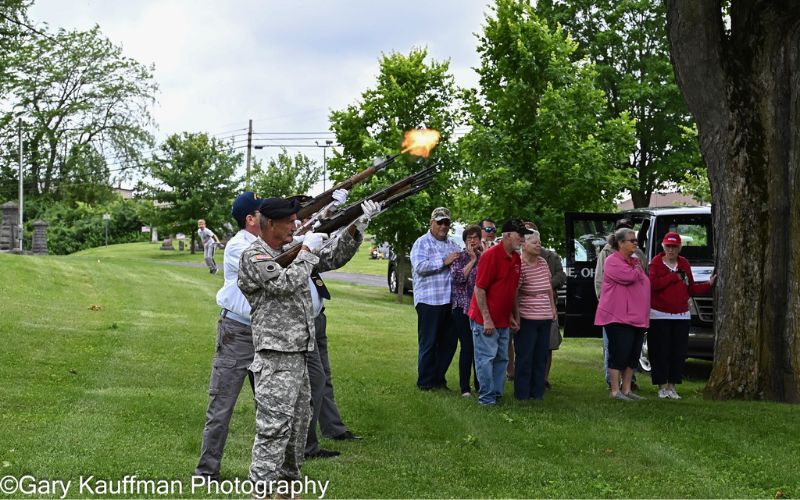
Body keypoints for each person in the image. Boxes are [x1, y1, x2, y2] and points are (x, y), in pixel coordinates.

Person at [238, 196, 375, 493]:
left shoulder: (291, 249)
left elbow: (331, 258)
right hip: (274, 359)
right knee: (273, 432)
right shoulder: (254, 255)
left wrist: (355, 228)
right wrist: (308, 249)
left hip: (299, 355)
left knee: (298, 433)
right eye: (288, 222)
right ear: (270, 223)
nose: (294, 226)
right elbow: (283, 285)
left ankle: (287, 492)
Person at [194, 192, 263, 482]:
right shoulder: (238, 245)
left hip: (264, 333)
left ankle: (270, 472)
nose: (269, 215)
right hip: (236, 332)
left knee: (272, 406)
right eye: (263, 212)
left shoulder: (269, 242)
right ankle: (206, 472)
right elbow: (265, 267)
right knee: (221, 406)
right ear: (250, 219)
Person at [305, 191, 375, 460]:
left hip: (317, 316)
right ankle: (307, 443)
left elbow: (334, 257)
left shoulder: (306, 240)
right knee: (313, 381)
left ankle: (332, 427)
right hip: (300, 323)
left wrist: (357, 225)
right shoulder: (292, 244)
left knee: (324, 377)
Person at [468, 218, 530, 406]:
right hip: (484, 319)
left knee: (501, 358)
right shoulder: (490, 256)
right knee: (486, 358)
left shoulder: (516, 258)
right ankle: (486, 398)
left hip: (503, 319)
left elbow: (509, 290)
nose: (522, 240)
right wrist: (487, 319)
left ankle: (496, 394)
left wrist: (511, 316)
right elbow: (480, 289)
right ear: (508, 235)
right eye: (520, 236)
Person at [649, 232, 716, 399]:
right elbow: (653, 285)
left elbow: (691, 288)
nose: (671, 250)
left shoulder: (684, 263)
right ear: (663, 247)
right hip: (659, 314)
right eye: (668, 246)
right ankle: (661, 386)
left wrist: (708, 284)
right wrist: (673, 277)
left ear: (679, 248)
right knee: (660, 351)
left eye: (674, 247)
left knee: (678, 352)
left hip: (681, 315)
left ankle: (672, 386)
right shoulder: (656, 263)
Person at [594, 227, 650, 401]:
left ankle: (627, 389)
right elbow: (629, 277)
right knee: (619, 353)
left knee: (633, 354)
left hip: (637, 316)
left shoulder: (634, 261)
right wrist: (637, 270)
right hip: (618, 316)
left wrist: (637, 268)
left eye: (636, 240)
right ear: (620, 243)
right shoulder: (612, 260)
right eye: (632, 240)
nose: (636, 243)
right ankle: (615, 390)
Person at [410, 207, 462, 391]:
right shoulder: (421, 243)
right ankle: (425, 382)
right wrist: (443, 262)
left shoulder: (453, 245)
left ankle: (439, 380)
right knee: (429, 343)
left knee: (448, 344)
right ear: (431, 222)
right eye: (439, 222)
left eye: (446, 222)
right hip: (429, 301)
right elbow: (419, 267)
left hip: (449, 302)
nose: (443, 226)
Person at [514, 229, 557, 400]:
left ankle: (537, 393)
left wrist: (553, 308)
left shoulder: (542, 263)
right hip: (527, 318)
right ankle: (522, 394)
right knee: (525, 357)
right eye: (534, 242)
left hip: (545, 316)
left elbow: (548, 288)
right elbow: (515, 293)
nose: (538, 245)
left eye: (539, 242)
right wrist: (516, 316)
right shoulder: (520, 264)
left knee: (541, 357)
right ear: (523, 245)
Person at [523, 222, 566, 390]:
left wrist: (546, 283)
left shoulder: (550, 257)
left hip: (548, 306)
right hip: (528, 310)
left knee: (547, 345)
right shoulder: (519, 258)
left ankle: (543, 378)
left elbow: (561, 275)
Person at [449, 224, 483, 397]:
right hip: (462, 308)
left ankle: (480, 384)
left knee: (480, 348)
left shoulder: (486, 257)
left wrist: (479, 258)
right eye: (469, 238)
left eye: (475, 237)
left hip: (480, 309)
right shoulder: (459, 257)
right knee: (467, 346)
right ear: (464, 241)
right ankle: (465, 388)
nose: (472, 240)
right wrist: (472, 260)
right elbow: (458, 278)